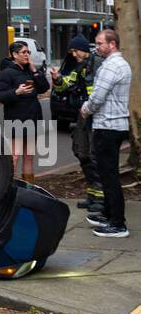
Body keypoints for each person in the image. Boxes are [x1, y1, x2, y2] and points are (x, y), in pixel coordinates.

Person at [81, 28, 130, 238]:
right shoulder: (119, 64)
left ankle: (118, 224)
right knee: (107, 173)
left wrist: (86, 108)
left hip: (108, 127)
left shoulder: (111, 66)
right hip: (114, 126)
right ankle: (109, 215)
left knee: (109, 176)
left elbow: (98, 95)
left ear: (112, 44)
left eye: (100, 43)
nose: (96, 46)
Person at [49, 35, 103, 215]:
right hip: (83, 116)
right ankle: (93, 194)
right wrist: (57, 79)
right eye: (71, 51)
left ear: (84, 49)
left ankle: (101, 197)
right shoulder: (79, 66)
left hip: (96, 117)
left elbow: (99, 92)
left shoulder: (98, 64)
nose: (73, 54)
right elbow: (65, 84)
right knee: (81, 150)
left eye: (75, 50)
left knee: (95, 155)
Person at [0, 40, 49, 182]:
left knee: (29, 156)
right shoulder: (6, 73)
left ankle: (29, 186)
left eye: (28, 52)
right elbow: (0, 96)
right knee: (15, 155)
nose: (27, 55)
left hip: (33, 117)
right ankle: (9, 186)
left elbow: (44, 87)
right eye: (24, 52)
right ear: (14, 54)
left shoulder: (30, 70)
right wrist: (16, 92)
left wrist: (34, 70)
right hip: (16, 119)